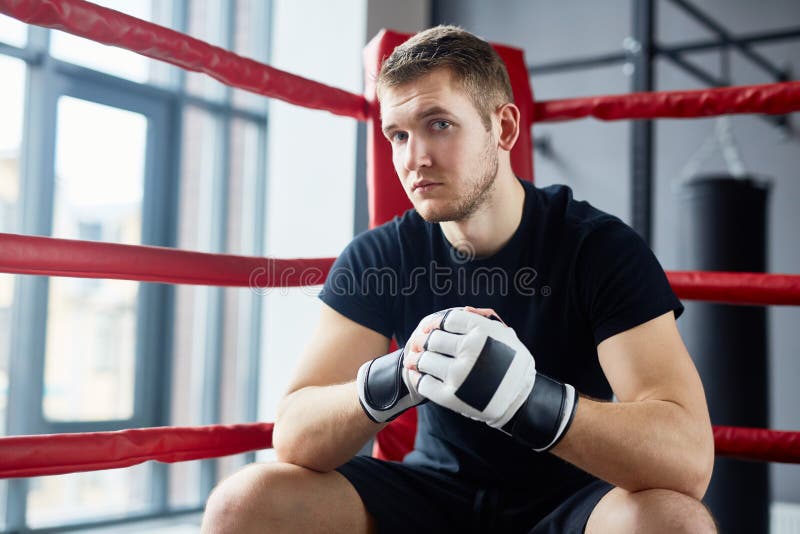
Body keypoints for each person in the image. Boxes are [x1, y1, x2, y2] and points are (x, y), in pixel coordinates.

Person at [201, 25, 717, 533]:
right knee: (243, 505)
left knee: (674, 523)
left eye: (439, 124)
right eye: (398, 135)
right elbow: (293, 433)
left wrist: (526, 400)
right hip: (431, 498)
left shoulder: (596, 247)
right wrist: (403, 373)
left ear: (504, 129)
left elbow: (688, 458)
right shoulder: (381, 256)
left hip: (574, 499)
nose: (413, 158)